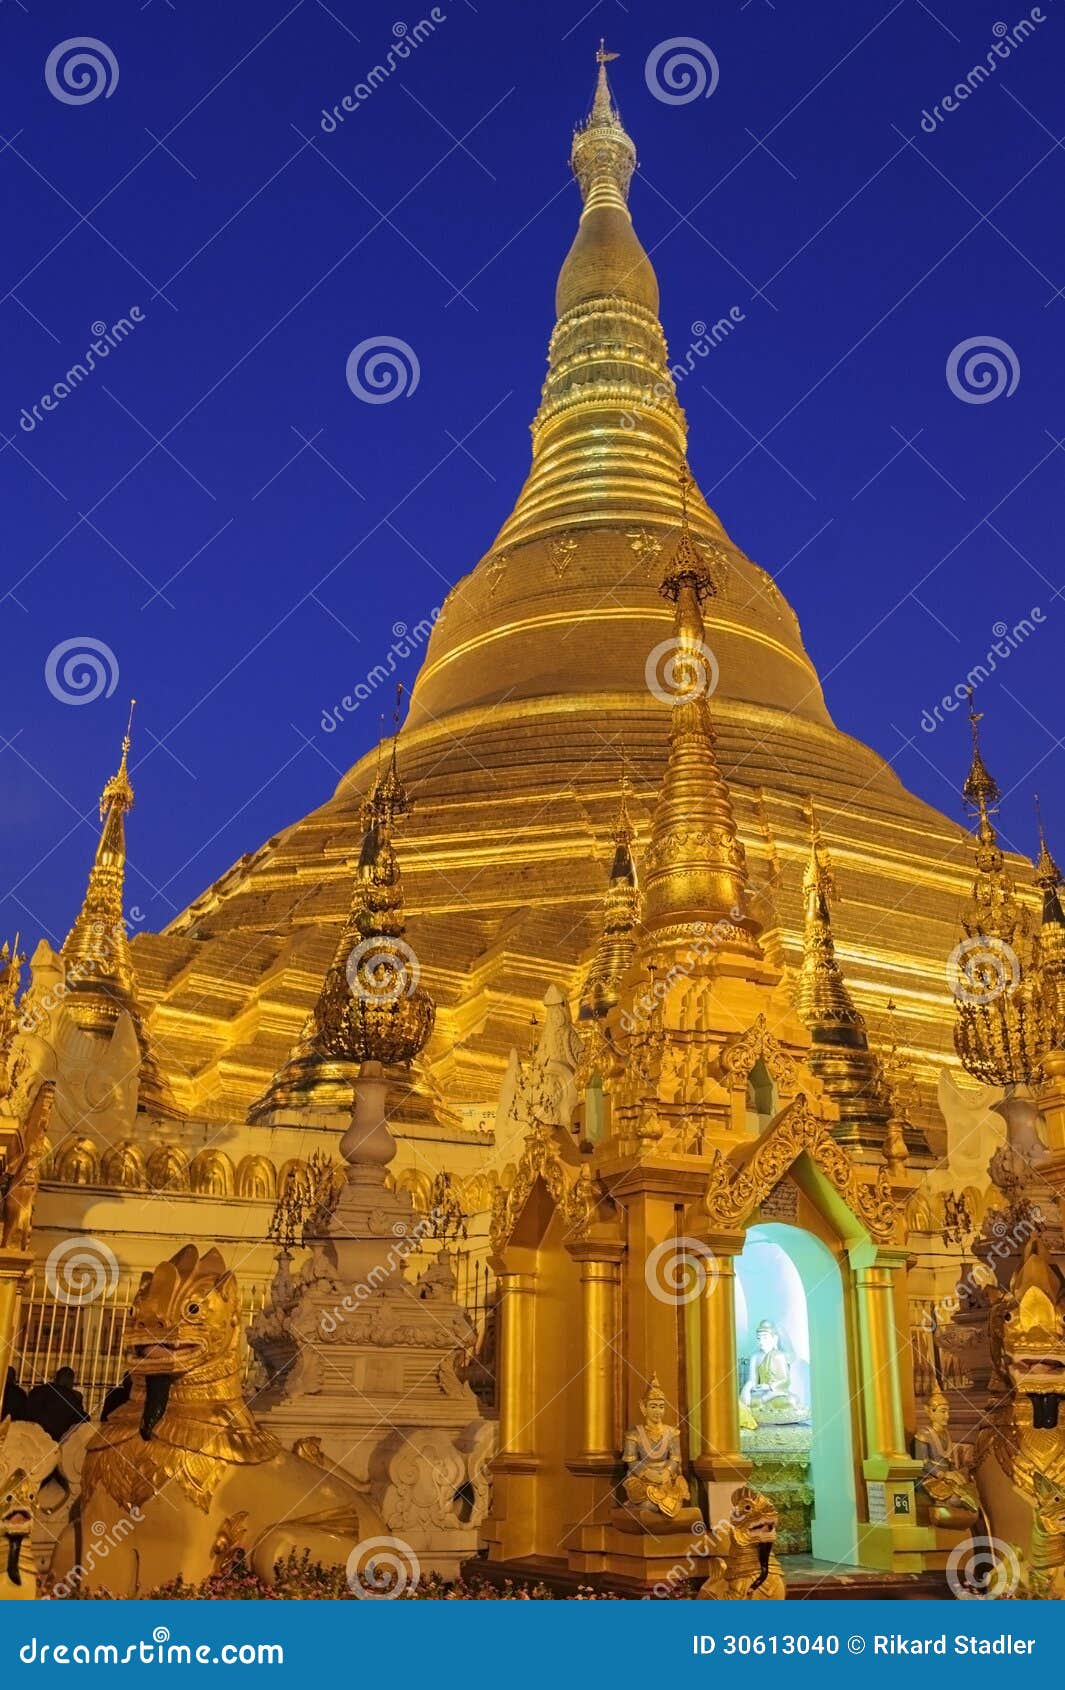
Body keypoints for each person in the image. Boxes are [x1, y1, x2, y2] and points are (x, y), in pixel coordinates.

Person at [25, 1367, 88, 1442]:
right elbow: (82, 1419)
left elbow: (26, 1413)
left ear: (55, 1379)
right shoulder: (72, 1397)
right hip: (58, 1441)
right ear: (71, 1382)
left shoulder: (37, 1391)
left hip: (34, 1438)